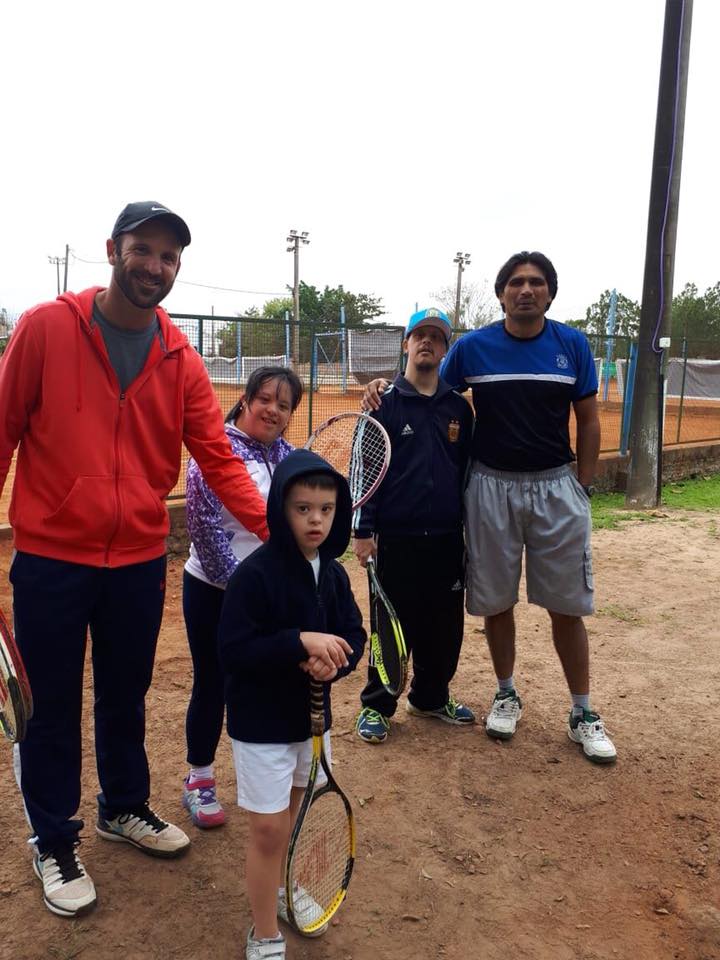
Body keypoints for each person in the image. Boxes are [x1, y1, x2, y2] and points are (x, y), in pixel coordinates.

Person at [0, 201, 271, 919]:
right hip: (53, 558)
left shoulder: (179, 356)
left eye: (170, 258)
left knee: (126, 692)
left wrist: (277, 530)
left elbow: (216, 456)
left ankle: (123, 806)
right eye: (144, 250)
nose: (156, 267)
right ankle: (53, 839)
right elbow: (1, 433)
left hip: (138, 560)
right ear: (113, 249)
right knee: (49, 708)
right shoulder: (45, 328)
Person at [364, 253, 616, 764]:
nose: (526, 289)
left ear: (549, 293)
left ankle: (582, 712)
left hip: (554, 487)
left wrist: (582, 487)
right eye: (516, 282)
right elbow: (428, 384)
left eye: (537, 283)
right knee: (496, 601)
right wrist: (381, 388)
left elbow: (589, 422)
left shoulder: (573, 345)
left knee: (567, 607)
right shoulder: (474, 348)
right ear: (501, 294)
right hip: (490, 489)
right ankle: (505, 693)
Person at [218, 449, 366, 960]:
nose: (316, 519)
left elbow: (353, 635)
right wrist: (299, 642)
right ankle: (264, 933)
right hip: (260, 725)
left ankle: (282, 890)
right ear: (281, 509)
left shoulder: (335, 575)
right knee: (267, 827)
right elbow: (233, 651)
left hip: (311, 724)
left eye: (326, 509)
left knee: (296, 813)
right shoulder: (254, 576)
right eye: (302, 508)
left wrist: (336, 664)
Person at [181, 365, 303, 829]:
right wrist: (247, 591)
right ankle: (200, 779)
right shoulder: (216, 451)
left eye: (284, 404)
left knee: (261, 689)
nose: (273, 410)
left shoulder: (290, 457)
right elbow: (205, 529)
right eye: (266, 398)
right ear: (247, 399)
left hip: (267, 599)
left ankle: (263, 787)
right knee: (213, 683)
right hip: (213, 591)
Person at [353, 308, 475, 744]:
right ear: (406, 343)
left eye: (436, 337)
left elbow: (466, 474)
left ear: (445, 348)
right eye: (419, 335)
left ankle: (430, 696)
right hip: (396, 541)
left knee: (443, 627)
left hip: (445, 540)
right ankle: (378, 705)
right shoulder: (382, 403)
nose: (427, 342)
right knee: (389, 626)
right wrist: (363, 532)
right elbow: (364, 472)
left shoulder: (458, 407)